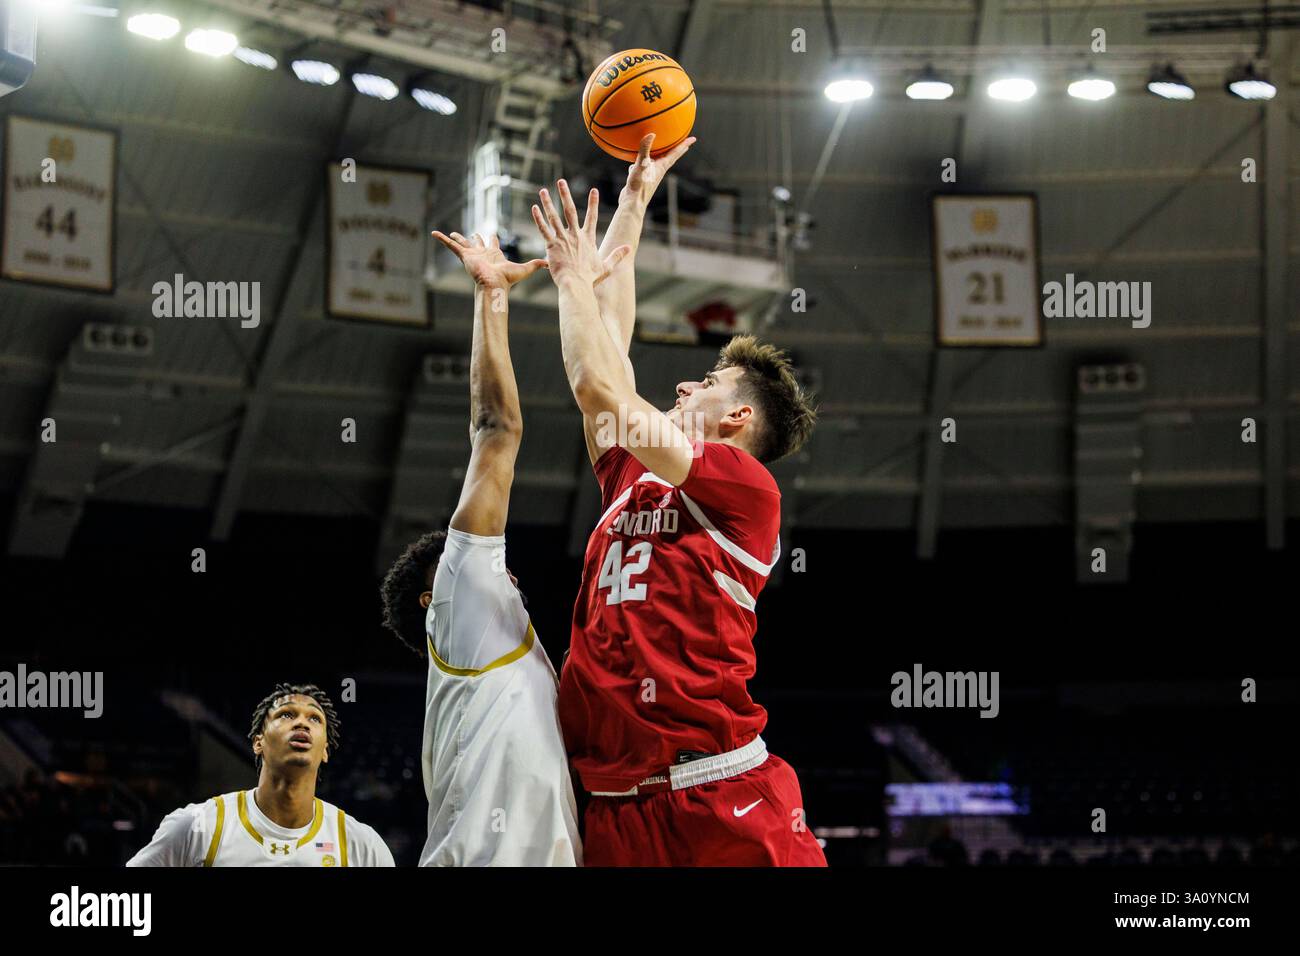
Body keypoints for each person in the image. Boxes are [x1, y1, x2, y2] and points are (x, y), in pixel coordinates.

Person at [529, 134, 826, 866]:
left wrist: (569, 278)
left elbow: (603, 385)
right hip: (612, 809)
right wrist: (633, 203)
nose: (687, 386)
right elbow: (610, 348)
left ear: (737, 421)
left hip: (716, 797)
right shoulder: (633, 476)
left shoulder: (742, 487)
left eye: (709, 384)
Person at [379, 231, 591, 866]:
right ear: (433, 597)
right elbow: (496, 429)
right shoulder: (463, 603)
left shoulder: (499, 657)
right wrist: (491, 295)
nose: (509, 570)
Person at [127, 683, 393, 866]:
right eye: (286, 714)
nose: (301, 722)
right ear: (258, 742)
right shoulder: (198, 827)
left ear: (325, 750)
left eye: (314, 718)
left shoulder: (362, 845)